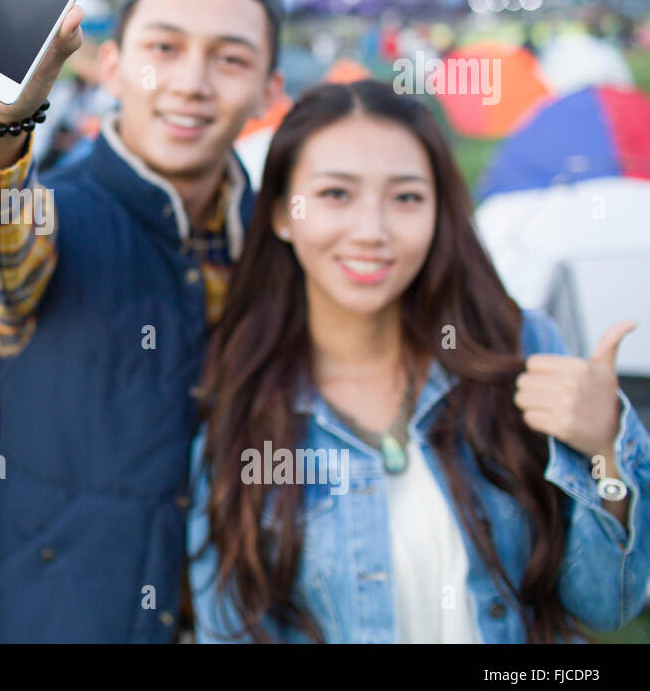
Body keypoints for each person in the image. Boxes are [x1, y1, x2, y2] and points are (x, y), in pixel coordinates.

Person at [0, 0, 286, 641]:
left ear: (270, 89)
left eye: (230, 59)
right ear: (109, 65)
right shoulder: (57, 212)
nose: (191, 83)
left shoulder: (288, 240)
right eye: (163, 49)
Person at [188, 80, 649, 642]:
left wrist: (606, 453)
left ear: (439, 211)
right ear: (284, 213)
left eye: (406, 197)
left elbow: (610, 602)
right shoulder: (238, 392)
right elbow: (231, 626)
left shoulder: (519, 347)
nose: (372, 232)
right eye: (336, 194)